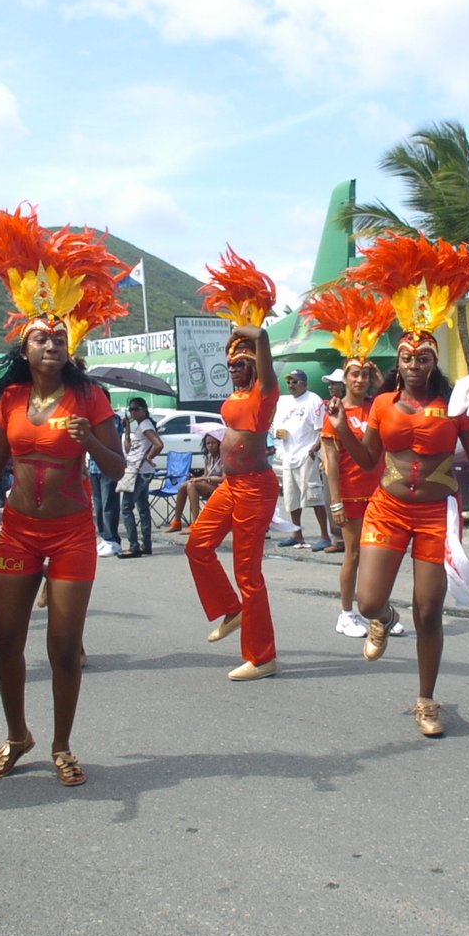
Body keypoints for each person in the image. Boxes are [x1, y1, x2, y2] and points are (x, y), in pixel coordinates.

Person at [0, 203, 129, 785]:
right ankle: (17, 734)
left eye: (58, 337)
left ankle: (60, 743)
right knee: (5, 642)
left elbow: (117, 465)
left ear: (69, 345)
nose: (51, 344)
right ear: (24, 350)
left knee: (63, 645)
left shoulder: (90, 398)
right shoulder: (10, 401)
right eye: (40, 337)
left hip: (74, 532)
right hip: (19, 530)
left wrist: (90, 443)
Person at [327, 232, 469, 736]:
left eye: (423, 358)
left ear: (433, 362)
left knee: (429, 613)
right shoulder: (382, 405)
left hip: (434, 516)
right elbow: (366, 457)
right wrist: (341, 430)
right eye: (407, 357)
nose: (414, 364)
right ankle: (381, 619)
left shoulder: (456, 405)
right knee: (366, 602)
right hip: (387, 508)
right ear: (398, 362)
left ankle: (427, 700)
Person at [186, 247, 283, 680]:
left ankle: (262, 657)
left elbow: (261, 339)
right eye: (231, 365)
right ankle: (231, 610)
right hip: (230, 484)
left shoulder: (266, 394)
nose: (235, 369)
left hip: (256, 487)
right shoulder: (237, 397)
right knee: (197, 545)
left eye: (241, 364)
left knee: (249, 570)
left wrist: (240, 329)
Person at [302, 286, 392, 635]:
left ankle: (378, 613)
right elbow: (330, 459)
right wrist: (335, 501)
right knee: (353, 554)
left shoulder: (377, 408)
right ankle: (345, 613)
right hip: (351, 494)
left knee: (379, 554)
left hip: (380, 492)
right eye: (354, 374)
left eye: (365, 374)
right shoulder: (335, 412)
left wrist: (370, 363)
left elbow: (388, 396)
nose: (360, 379)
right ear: (345, 378)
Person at [271, 368, 331, 551]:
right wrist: (278, 434)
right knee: (291, 497)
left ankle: (324, 536)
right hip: (288, 455)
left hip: (307, 454)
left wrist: (314, 449)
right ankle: (296, 534)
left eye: (295, 382)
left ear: (304, 384)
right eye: (289, 382)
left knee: (313, 496)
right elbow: (277, 426)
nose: (291, 385)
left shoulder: (313, 400)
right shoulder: (283, 402)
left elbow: (323, 429)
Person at [117, 397, 162, 557]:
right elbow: (128, 449)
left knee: (127, 507)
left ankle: (134, 546)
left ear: (144, 409)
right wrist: (127, 428)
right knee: (142, 507)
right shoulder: (140, 426)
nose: (133, 412)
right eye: (131, 410)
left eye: (136, 409)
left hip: (139, 471)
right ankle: (146, 545)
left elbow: (158, 444)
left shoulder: (145, 424)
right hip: (138, 470)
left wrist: (148, 457)